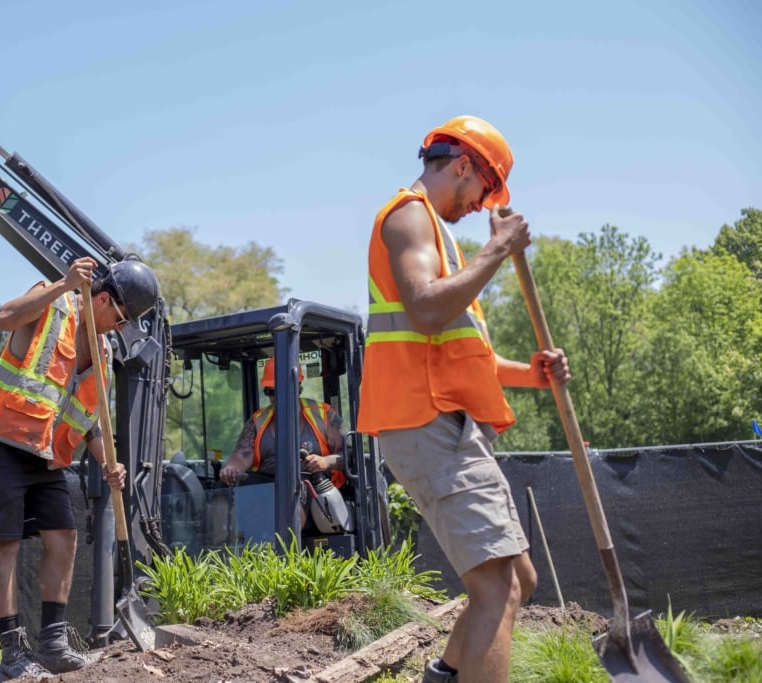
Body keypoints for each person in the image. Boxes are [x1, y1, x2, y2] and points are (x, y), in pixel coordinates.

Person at [357, 115, 571, 683]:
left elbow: (462, 352)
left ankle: (444, 675)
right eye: (484, 189)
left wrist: (534, 374)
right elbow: (427, 308)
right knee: (495, 587)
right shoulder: (408, 215)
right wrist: (497, 250)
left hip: (448, 423)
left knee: (517, 579)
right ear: (463, 166)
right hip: (426, 422)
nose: (481, 205)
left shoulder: (440, 236)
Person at [0, 255, 160, 682]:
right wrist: (62, 284)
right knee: (6, 543)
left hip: (46, 455)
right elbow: (4, 317)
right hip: (0, 441)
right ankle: (13, 655)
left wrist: (109, 461)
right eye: (122, 318)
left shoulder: (105, 350)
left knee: (64, 538)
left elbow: (86, 416)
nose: (120, 328)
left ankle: (53, 645)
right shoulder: (52, 304)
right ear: (104, 299)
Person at [219, 358, 349, 530]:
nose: (275, 397)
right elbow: (241, 456)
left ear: (298, 387)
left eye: (280, 390)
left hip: (309, 482)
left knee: (295, 487)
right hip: (267, 483)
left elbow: (349, 456)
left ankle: (286, 549)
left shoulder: (324, 415)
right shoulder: (258, 420)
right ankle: (226, 549)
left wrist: (326, 462)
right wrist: (231, 470)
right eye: (270, 391)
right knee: (224, 488)